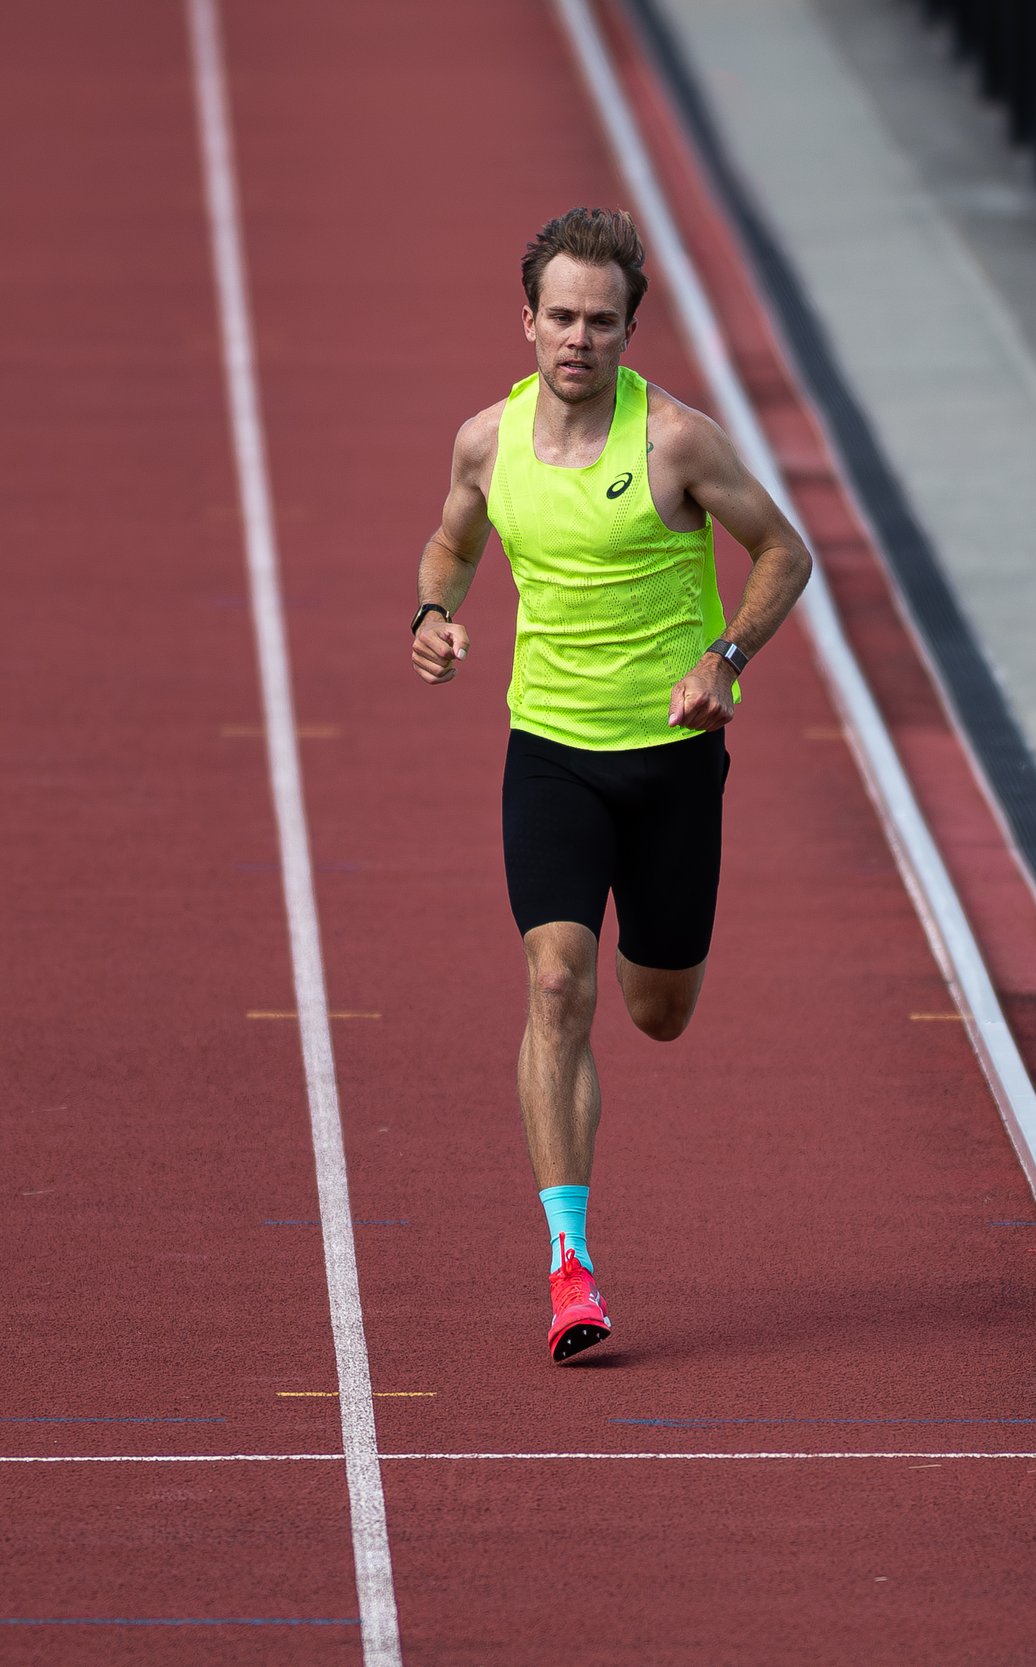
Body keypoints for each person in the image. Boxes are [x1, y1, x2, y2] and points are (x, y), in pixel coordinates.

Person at [410, 207, 813, 1362]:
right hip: (549, 750)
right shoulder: (485, 441)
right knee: (554, 981)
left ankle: (648, 992)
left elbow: (782, 549)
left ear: (631, 328)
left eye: (601, 321)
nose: (577, 339)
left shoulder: (676, 442)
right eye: (560, 317)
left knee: (657, 1010)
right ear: (526, 320)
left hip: (673, 760)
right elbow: (450, 544)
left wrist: (723, 657)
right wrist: (434, 613)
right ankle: (568, 1263)